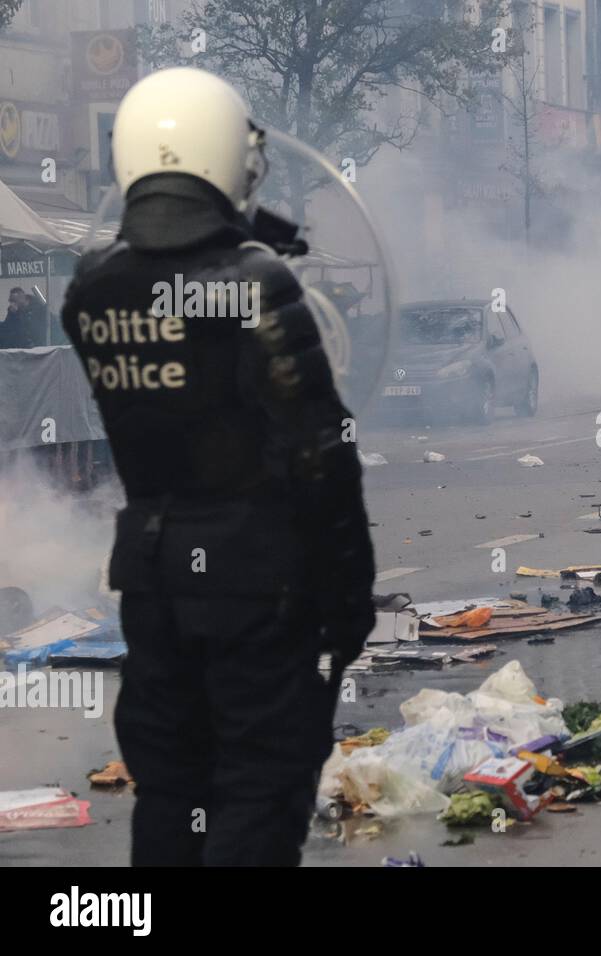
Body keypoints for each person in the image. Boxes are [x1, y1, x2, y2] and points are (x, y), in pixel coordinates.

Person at [61, 67, 375, 866]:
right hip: (257, 587)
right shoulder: (254, 285)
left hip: (153, 581)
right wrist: (348, 598)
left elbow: (170, 274)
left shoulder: (92, 290)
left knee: (172, 790)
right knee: (259, 788)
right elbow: (321, 455)